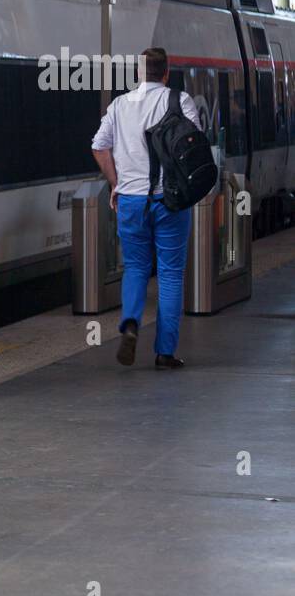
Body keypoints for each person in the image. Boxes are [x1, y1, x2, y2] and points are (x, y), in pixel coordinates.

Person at [90, 47, 202, 369]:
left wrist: (115, 183)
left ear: (139, 73)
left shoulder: (119, 105)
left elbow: (99, 146)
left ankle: (130, 322)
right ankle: (165, 352)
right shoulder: (180, 101)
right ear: (166, 73)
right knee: (169, 274)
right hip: (170, 200)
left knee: (136, 268)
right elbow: (195, 146)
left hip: (131, 201)